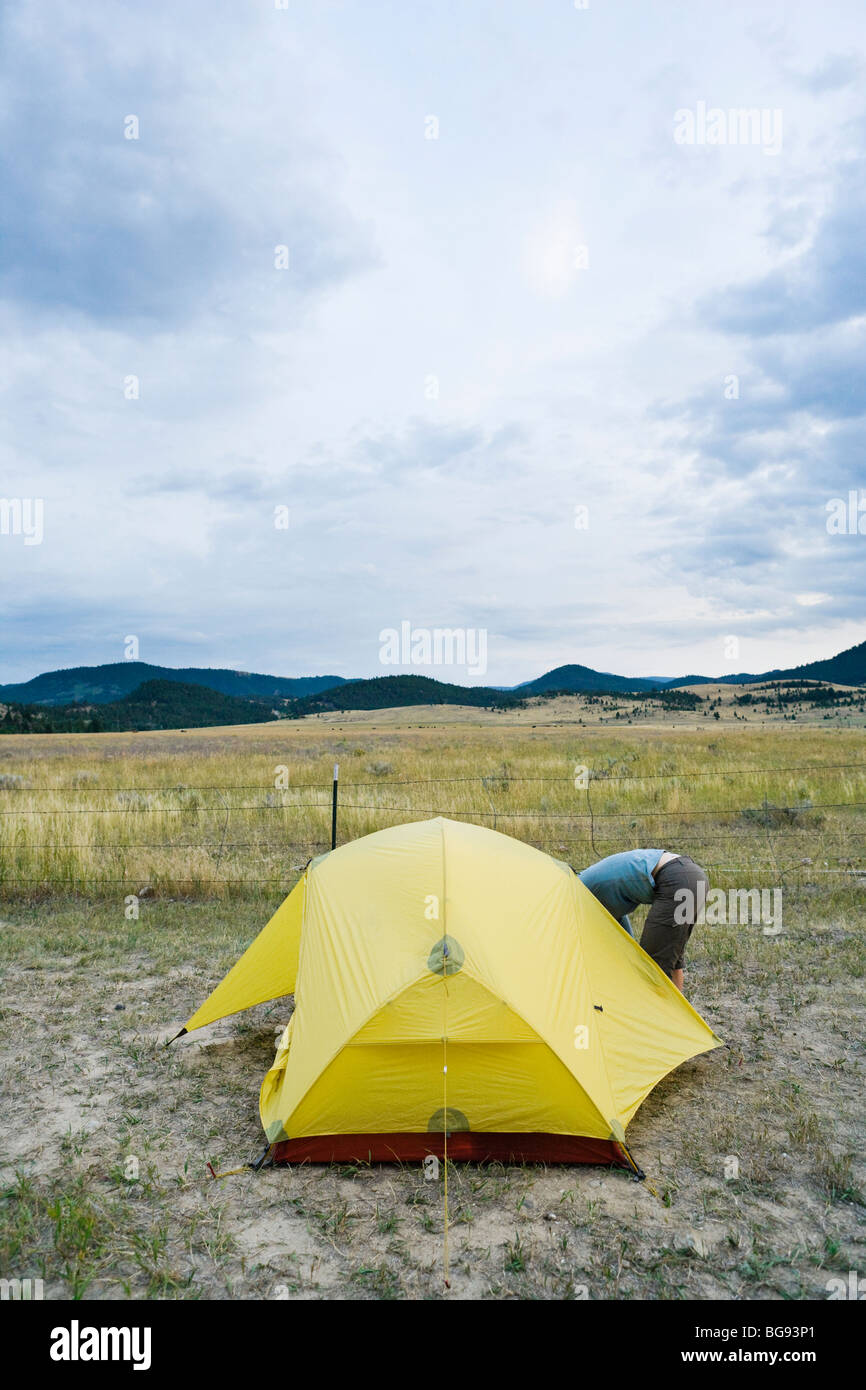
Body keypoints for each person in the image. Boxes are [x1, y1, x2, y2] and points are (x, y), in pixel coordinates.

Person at [576, 848, 708, 993]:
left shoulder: (579, 893)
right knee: (673, 958)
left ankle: (656, 1013)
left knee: (651, 967)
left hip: (675, 879)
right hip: (693, 874)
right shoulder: (590, 884)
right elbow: (622, 931)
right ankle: (679, 1013)